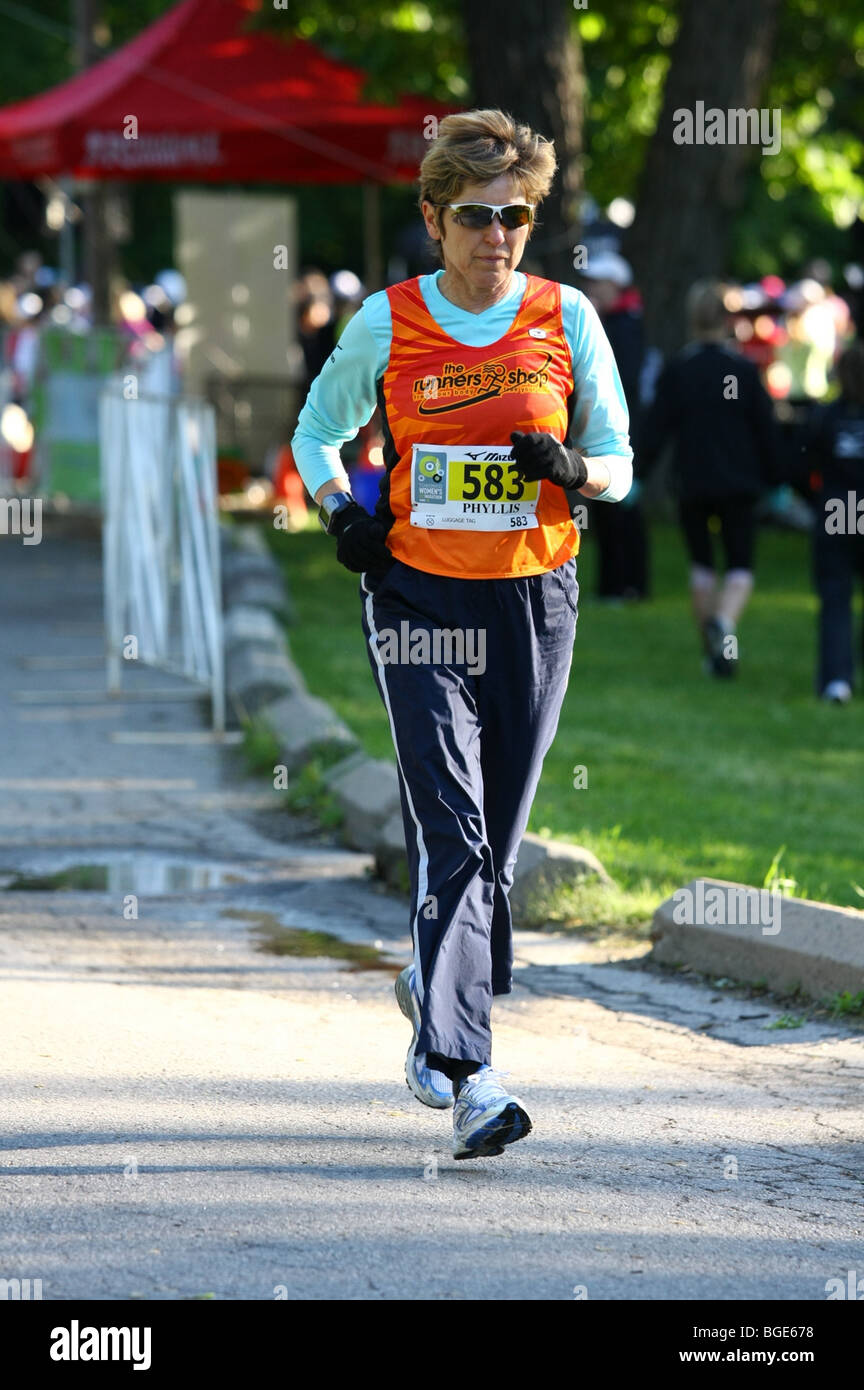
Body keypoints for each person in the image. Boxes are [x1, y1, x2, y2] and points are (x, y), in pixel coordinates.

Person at [291, 109, 632, 1160]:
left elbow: (619, 459)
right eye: (479, 217)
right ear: (435, 221)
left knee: (498, 846)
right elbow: (318, 430)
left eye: (517, 216)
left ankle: (431, 986)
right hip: (418, 600)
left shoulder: (564, 315)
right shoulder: (388, 323)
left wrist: (571, 473)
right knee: (457, 832)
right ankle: (471, 1072)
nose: (499, 235)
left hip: (535, 598)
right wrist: (344, 511)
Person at [639, 280, 781, 677]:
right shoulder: (743, 370)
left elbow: (656, 429)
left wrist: (639, 473)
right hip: (739, 481)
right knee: (739, 565)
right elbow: (765, 430)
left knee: (701, 566)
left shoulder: (679, 370)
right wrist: (779, 479)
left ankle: (713, 654)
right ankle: (726, 625)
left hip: (693, 480)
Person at [579, 251, 650, 600]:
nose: (592, 289)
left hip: (622, 433)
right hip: (613, 429)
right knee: (610, 513)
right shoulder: (618, 322)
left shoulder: (624, 326)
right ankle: (617, 585)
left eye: (599, 283)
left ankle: (628, 585)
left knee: (622, 512)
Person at [804, 340, 864, 702]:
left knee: (835, 597)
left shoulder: (826, 416)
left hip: (836, 509)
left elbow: (801, 463)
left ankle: (837, 678)